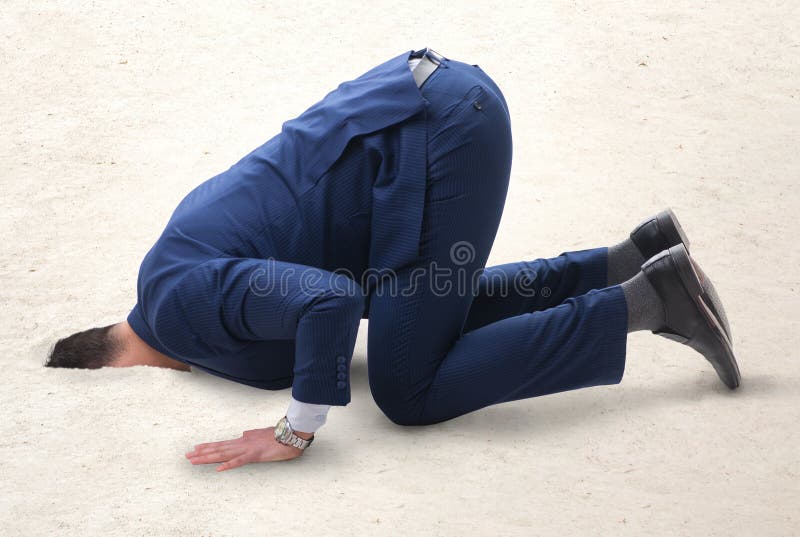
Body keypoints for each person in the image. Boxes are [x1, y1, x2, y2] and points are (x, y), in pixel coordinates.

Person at [45, 47, 740, 471]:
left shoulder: (181, 305)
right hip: (429, 109)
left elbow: (329, 303)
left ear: (117, 366)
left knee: (407, 386)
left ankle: (652, 301)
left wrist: (298, 428)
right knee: (414, 322)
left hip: (436, 133)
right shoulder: (170, 269)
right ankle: (628, 260)